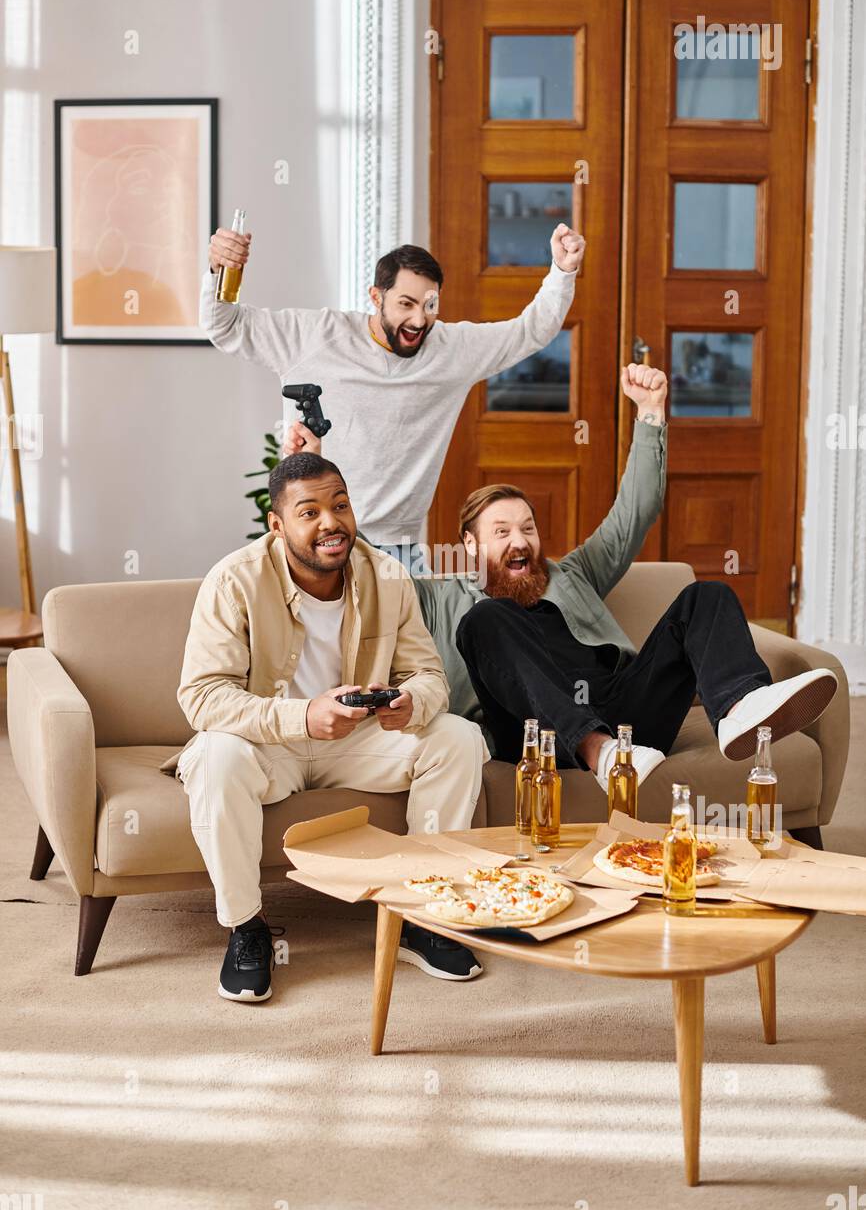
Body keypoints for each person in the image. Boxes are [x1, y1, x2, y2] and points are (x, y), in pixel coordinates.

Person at [298, 362, 838, 787]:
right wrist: (315, 473)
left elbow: (636, 512)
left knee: (708, 594)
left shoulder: (573, 572)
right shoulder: (439, 596)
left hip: (629, 716)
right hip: (532, 732)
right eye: (502, 531)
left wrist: (651, 414)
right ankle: (597, 754)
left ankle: (741, 707)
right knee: (488, 619)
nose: (520, 541)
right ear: (469, 545)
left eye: (527, 528)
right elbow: (360, 563)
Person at [163, 452, 490, 1003]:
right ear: (278, 524)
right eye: (309, 512)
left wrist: (413, 699)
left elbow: (428, 673)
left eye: (339, 506)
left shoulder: (387, 574)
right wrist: (303, 716)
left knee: (459, 738)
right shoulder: (234, 580)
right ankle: (247, 929)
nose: (330, 523)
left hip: (356, 741)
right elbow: (202, 697)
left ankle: (419, 917)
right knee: (217, 758)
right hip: (267, 746)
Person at [202, 226, 585, 568]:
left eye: (430, 304)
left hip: (398, 548)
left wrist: (562, 272)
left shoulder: (452, 350)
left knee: (403, 646)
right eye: (406, 304)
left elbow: (529, 332)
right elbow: (224, 326)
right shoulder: (314, 335)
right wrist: (218, 268)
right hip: (313, 536)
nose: (419, 320)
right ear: (376, 296)